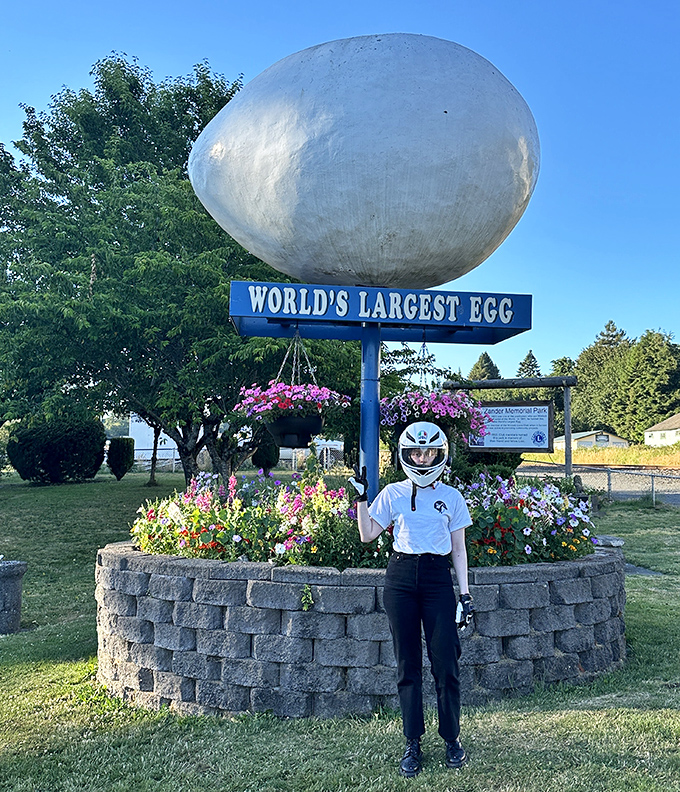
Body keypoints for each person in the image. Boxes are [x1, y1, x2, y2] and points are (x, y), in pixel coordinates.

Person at [349, 421, 474, 778]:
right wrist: (361, 499)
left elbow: (459, 550)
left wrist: (464, 595)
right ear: (406, 454)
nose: (422, 458)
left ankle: (452, 738)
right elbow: (367, 535)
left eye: (429, 452)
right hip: (400, 578)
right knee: (408, 666)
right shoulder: (392, 493)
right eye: (416, 452)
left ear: (440, 454)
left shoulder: (451, 497)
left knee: (446, 663)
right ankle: (412, 742)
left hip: (437, 580)